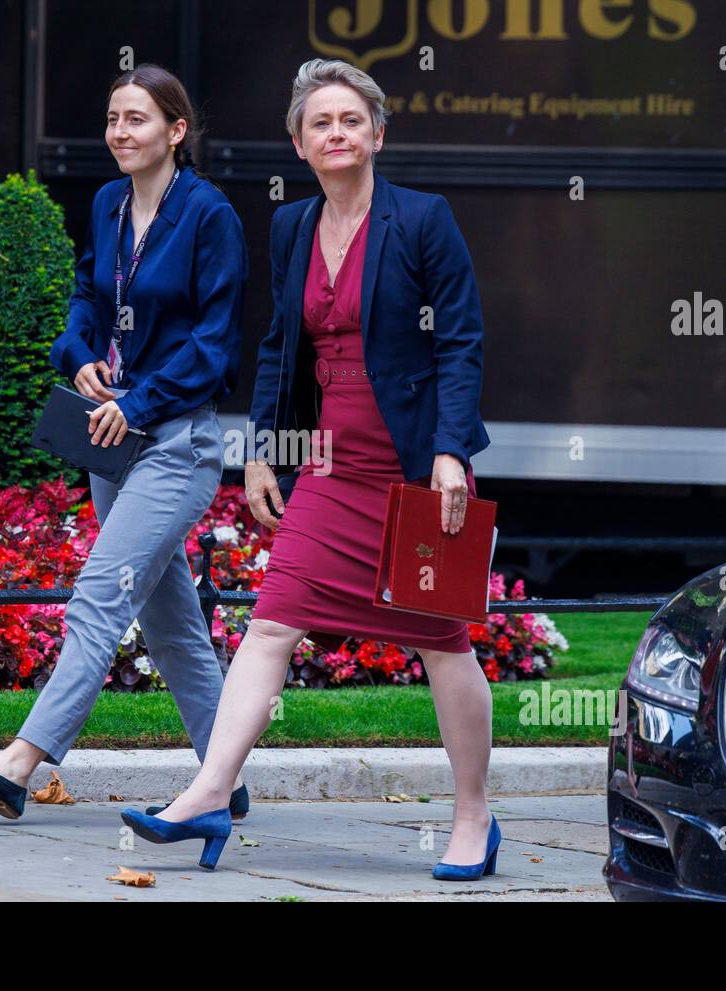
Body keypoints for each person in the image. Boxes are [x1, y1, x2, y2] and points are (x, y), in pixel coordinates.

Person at [120, 58, 497, 878]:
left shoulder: (424, 220)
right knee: (270, 623)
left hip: (412, 466)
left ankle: (474, 817)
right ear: (300, 142)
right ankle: (211, 791)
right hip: (327, 466)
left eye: (351, 121)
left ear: (377, 134)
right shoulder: (291, 227)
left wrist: (450, 452)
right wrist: (261, 450)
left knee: (442, 641)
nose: (337, 133)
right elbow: (277, 348)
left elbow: (460, 341)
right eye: (321, 123)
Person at [0, 64, 250, 822]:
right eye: (113, 118)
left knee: (98, 600)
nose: (119, 132)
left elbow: (214, 345)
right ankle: (224, 779)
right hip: (112, 442)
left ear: (176, 131)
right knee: (174, 627)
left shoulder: (211, 216)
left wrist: (139, 399)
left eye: (136, 119)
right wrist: (78, 357)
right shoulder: (110, 203)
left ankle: (18, 763)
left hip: (176, 443)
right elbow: (87, 297)